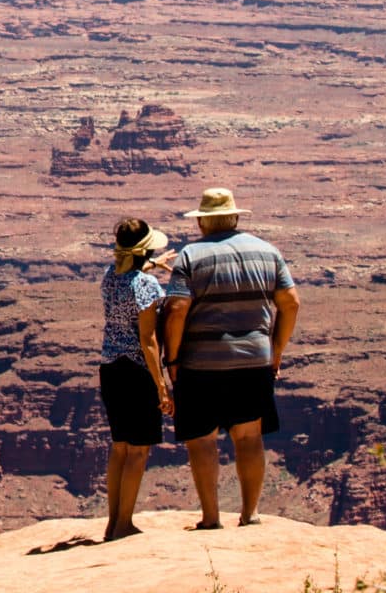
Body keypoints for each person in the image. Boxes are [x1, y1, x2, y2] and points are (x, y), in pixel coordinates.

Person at [162, 188, 301, 530]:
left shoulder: (190, 256)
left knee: (201, 438)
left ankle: (211, 518)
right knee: (249, 437)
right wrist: (276, 349)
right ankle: (250, 514)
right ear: (235, 216)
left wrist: (173, 358)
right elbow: (291, 303)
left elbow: (178, 309)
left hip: (200, 363)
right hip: (255, 360)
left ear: (203, 222)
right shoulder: (267, 251)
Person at [97, 217, 176, 541]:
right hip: (136, 370)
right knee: (139, 450)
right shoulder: (147, 286)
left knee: (120, 448)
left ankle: (113, 522)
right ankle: (125, 524)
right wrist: (161, 385)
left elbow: (131, 277)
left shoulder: (108, 276)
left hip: (110, 369)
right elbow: (148, 340)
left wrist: (153, 264)